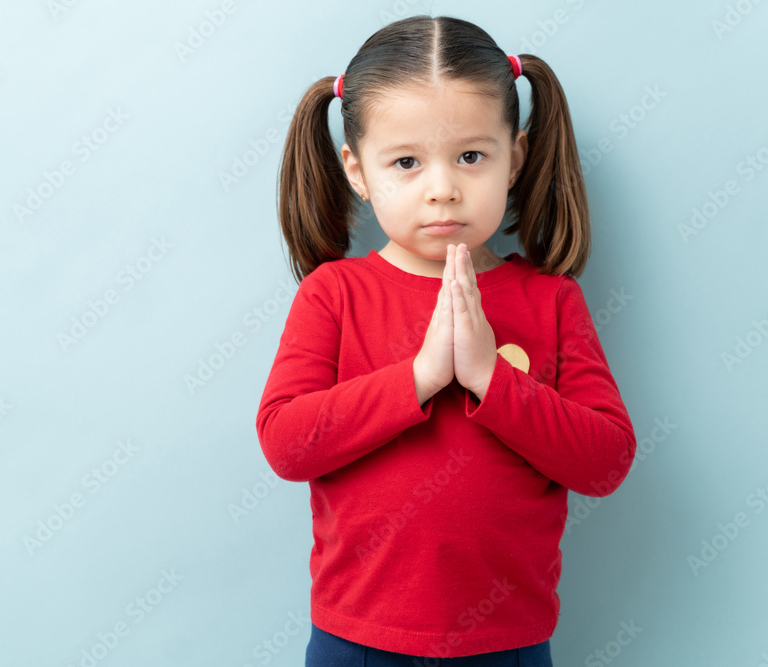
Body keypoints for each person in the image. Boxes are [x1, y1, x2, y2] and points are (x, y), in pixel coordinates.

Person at [255, 14, 637, 666]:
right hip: (359, 642)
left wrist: (493, 378)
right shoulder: (333, 295)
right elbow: (288, 444)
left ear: (513, 157)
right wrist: (419, 378)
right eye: (406, 162)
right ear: (357, 170)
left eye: (470, 156)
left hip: (507, 643)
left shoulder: (551, 300)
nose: (442, 188)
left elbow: (605, 462)